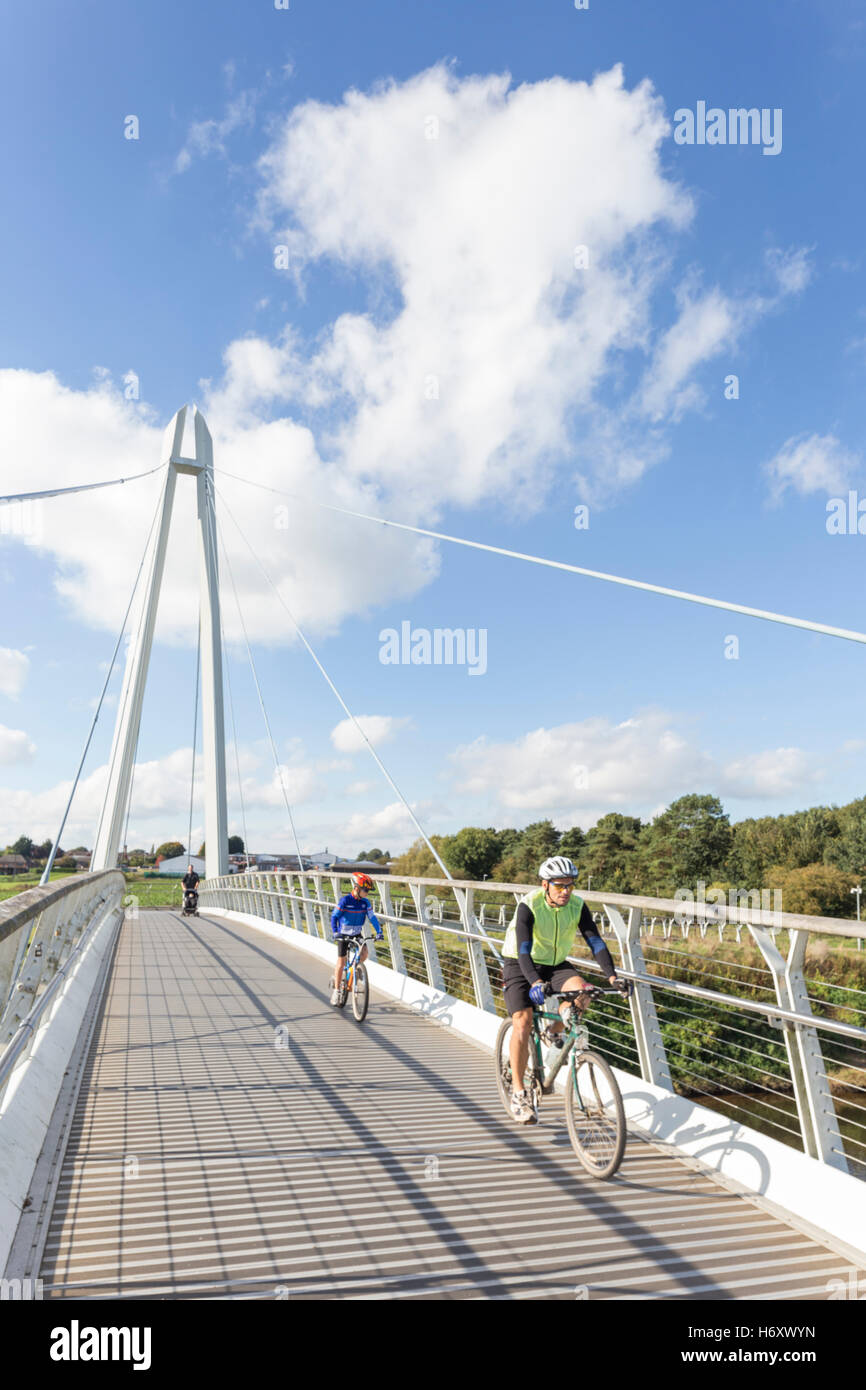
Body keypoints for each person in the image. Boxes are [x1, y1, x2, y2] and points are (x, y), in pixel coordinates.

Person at [501, 855, 630, 1125]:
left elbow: (595, 942)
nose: (566, 891)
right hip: (520, 963)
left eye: (570, 885)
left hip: (555, 963)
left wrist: (612, 977)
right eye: (559, 886)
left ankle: (553, 1033)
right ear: (545, 885)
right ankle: (519, 1093)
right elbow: (523, 948)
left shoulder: (577, 905)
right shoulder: (529, 905)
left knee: (584, 992)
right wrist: (535, 982)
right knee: (522, 1021)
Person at [330, 872, 383, 1005]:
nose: (367, 893)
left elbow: (372, 918)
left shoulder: (365, 902)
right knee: (341, 962)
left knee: (364, 954)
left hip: (356, 934)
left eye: (368, 891)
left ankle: (353, 972)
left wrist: (379, 932)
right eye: (365, 890)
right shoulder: (345, 901)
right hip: (343, 934)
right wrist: (335, 932)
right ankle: (336, 991)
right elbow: (334, 916)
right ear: (356, 888)